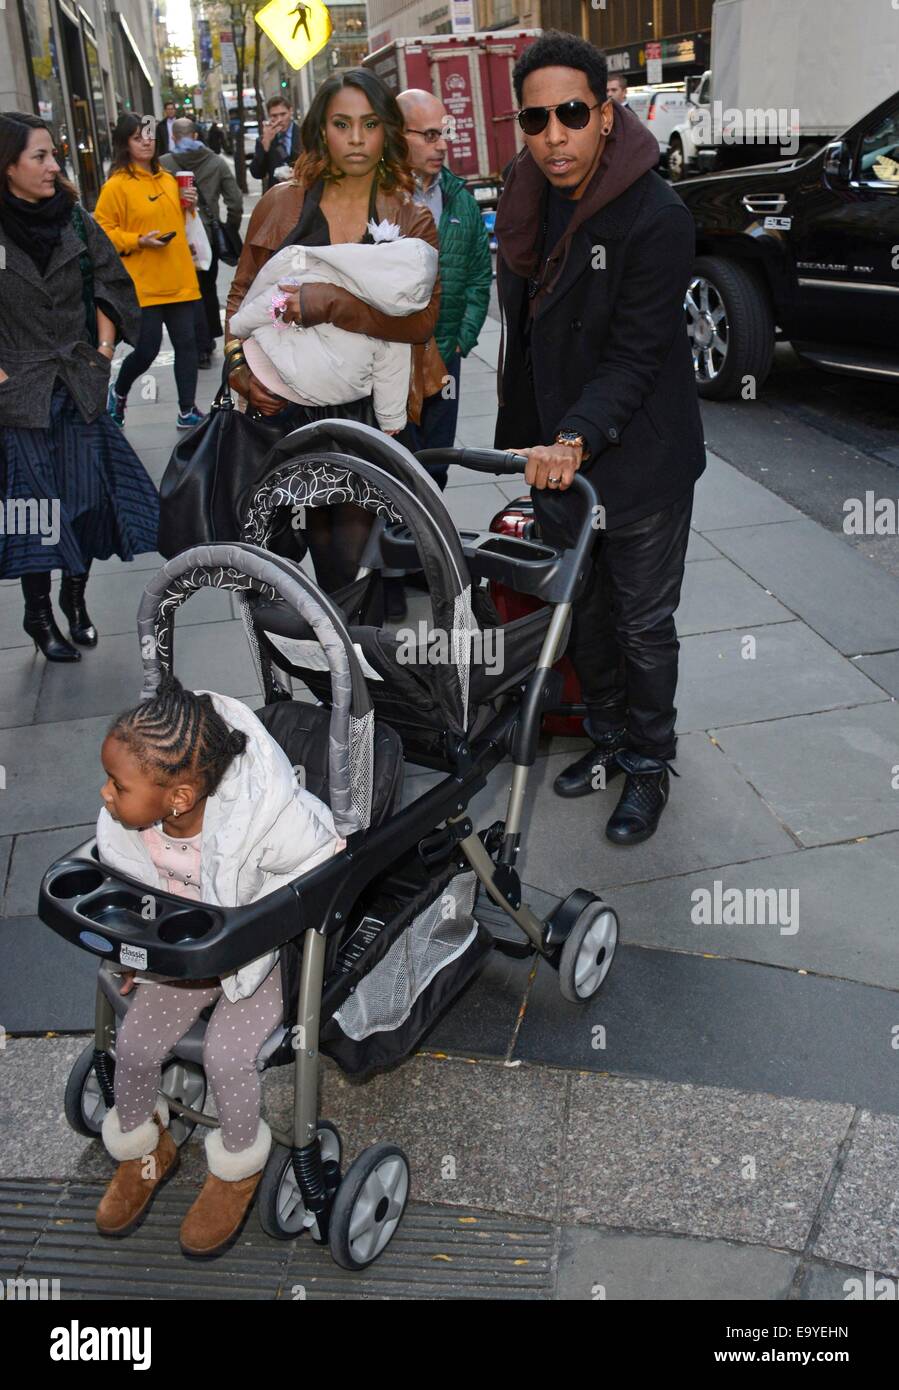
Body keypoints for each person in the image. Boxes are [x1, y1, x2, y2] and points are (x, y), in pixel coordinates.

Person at [494, 32, 705, 845]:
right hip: (558, 455)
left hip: (640, 454)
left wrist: (575, 438)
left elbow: (635, 353)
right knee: (581, 609)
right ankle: (609, 739)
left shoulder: (657, 215)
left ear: (606, 113)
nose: (554, 134)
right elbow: (525, 331)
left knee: (642, 624)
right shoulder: (523, 198)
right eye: (537, 117)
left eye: (572, 114)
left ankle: (649, 765)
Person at [94, 677, 342, 1255]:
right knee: (132, 1044)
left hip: (249, 962)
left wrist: (266, 916)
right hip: (179, 958)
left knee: (226, 1055)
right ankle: (142, 1149)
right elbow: (125, 888)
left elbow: (325, 856)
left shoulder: (264, 820)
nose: (106, 795)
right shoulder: (130, 821)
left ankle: (236, 1167)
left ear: (178, 797)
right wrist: (130, 948)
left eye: (118, 785)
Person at [225, 67, 444, 595]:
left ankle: (349, 664)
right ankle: (332, 659)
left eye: (369, 124)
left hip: (366, 404)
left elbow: (420, 323)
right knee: (279, 565)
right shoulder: (282, 203)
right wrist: (236, 369)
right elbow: (241, 299)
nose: (355, 138)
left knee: (344, 557)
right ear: (321, 129)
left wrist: (331, 304)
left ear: (387, 131)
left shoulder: (409, 217)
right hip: (284, 405)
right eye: (341, 123)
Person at [0, 112, 159, 662]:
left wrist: (105, 350)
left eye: (53, 154)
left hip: (77, 382)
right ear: (8, 166)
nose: (52, 165)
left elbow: (112, 280)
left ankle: (76, 599)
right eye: (39, 156)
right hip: (19, 397)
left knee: (86, 502)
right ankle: (38, 613)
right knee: (36, 510)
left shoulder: (72, 219)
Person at [229, 229, 438, 432]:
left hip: (282, 370)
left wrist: (239, 326)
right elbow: (395, 364)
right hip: (316, 390)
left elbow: (275, 297)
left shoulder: (316, 270)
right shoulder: (280, 203)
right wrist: (391, 419)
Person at [396, 87, 492, 486]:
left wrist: (460, 340)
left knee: (436, 466)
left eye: (444, 134)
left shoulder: (459, 199)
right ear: (399, 136)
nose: (442, 145)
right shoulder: (376, 198)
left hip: (445, 355)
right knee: (398, 467)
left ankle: (431, 543)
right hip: (393, 362)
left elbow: (478, 276)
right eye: (430, 135)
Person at [95, 113, 206, 431]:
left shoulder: (168, 178)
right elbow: (102, 233)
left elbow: (179, 225)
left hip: (179, 275)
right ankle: (118, 391)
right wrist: (137, 241)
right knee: (146, 350)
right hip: (141, 282)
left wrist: (189, 205)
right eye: (137, 136)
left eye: (149, 134)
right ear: (124, 144)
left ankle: (187, 410)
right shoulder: (116, 186)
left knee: (187, 343)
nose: (146, 140)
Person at [161, 115, 244, 368]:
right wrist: (228, 227)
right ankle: (208, 342)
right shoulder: (216, 162)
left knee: (188, 293)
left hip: (176, 238)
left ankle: (198, 345)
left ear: (174, 138)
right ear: (196, 136)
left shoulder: (163, 164)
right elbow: (236, 201)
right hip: (207, 237)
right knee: (207, 288)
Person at [249, 95, 302, 191]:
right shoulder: (265, 139)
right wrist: (265, 145)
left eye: (283, 114)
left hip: (303, 193)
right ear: (269, 116)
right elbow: (257, 173)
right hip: (277, 196)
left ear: (290, 111)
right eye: (274, 116)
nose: (279, 120)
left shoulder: (305, 134)